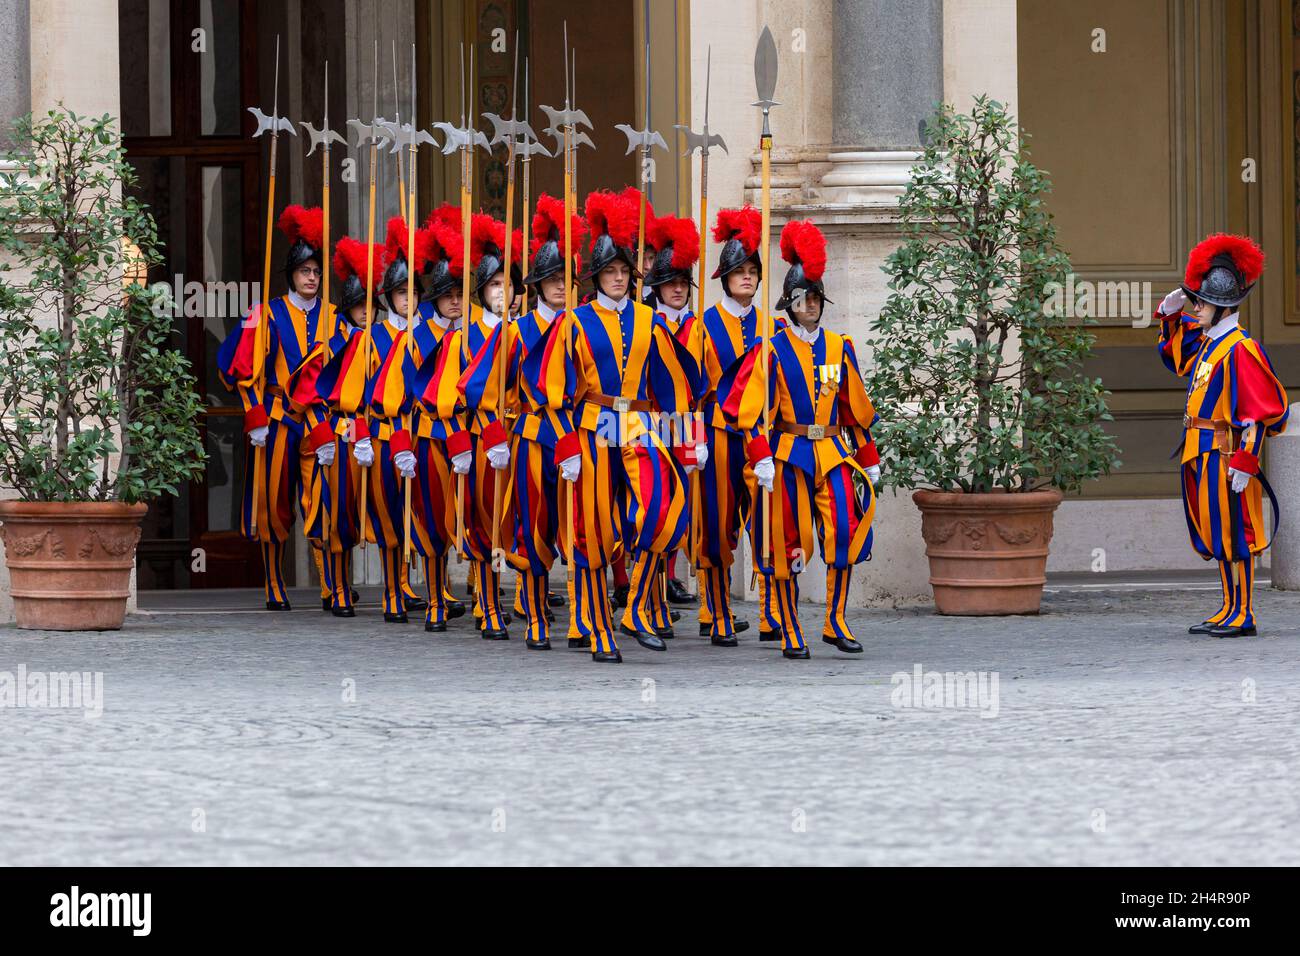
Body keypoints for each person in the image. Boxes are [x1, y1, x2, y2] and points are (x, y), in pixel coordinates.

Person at [525, 188, 700, 662]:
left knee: (665, 507)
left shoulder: (649, 320)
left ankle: (636, 607)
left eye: (625, 272)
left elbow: (673, 387)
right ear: (597, 277)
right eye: (611, 272)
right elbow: (552, 389)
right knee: (592, 530)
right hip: (592, 426)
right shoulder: (572, 322)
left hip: (642, 427)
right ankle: (599, 629)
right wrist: (565, 447)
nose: (619, 278)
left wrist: (689, 439)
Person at [723, 220, 881, 658]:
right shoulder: (770, 350)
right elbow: (753, 413)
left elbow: (854, 409)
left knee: (846, 533)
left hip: (831, 451)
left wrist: (868, 457)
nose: (809, 305)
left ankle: (835, 620)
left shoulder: (839, 346)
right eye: (802, 299)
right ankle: (790, 627)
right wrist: (761, 456)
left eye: (815, 298)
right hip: (789, 453)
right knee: (785, 541)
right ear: (789, 305)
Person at [1155, 234, 1289, 637]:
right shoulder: (1214, 343)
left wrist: (1247, 463)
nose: (1196, 307)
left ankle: (1243, 612)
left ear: (1221, 306)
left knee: (1236, 533)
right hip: (1201, 450)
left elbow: (1259, 415)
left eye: (1201, 302)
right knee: (1217, 532)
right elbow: (1178, 358)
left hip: (1226, 454)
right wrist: (1169, 313)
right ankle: (1228, 605)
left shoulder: (1240, 348)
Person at [218, 204, 336, 610]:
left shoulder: (334, 318)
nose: (312, 278)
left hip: (319, 420)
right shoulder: (264, 313)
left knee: (324, 500)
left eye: (317, 272)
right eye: (305, 271)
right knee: (274, 504)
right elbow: (241, 366)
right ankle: (273, 582)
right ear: (291, 274)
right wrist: (255, 418)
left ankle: (330, 584)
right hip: (278, 419)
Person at [680, 206, 781, 644]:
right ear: (724, 277)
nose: (746, 277)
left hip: (760, 437)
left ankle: (772, 612)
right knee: (717, 525)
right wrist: (693, 441)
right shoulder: (701, 326)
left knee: (768, 522)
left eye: (753, 270)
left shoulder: (774, 327)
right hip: (718, 436)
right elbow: (689, 393)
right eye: (738, 270)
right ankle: (716, 611)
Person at [420, 213, 520, 640]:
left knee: (510, 522)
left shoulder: (524, 332)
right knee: (483, 522)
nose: (502, 291)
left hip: (520, 439)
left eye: (508, 284)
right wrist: (461, 444)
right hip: (481, 439)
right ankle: (489, 603)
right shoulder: (462, 339)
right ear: (481, 291)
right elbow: (446, 400)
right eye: (495, 284)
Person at [285, 235, 382, 616]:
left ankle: (395, 587)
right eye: (304, 271)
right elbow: (311, 391)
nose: (364, 313)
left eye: (315, 272)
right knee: (326, 509)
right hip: (326, 430)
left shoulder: (374, 340)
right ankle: (333, 586)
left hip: (368, 434)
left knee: (370, 510)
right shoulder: (333, 338)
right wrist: (324, 434)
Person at [643, 214, 706, 634]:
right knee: (652, 513)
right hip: (648, 426)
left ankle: (664, 597)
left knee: (685, 514)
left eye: (684, 281)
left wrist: (696, 439)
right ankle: (645, 601)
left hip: (688, 428)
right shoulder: (645, 326)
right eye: (671, 282)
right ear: (658, 288)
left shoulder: (699, 328)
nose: (679, 288)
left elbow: (703, 392)